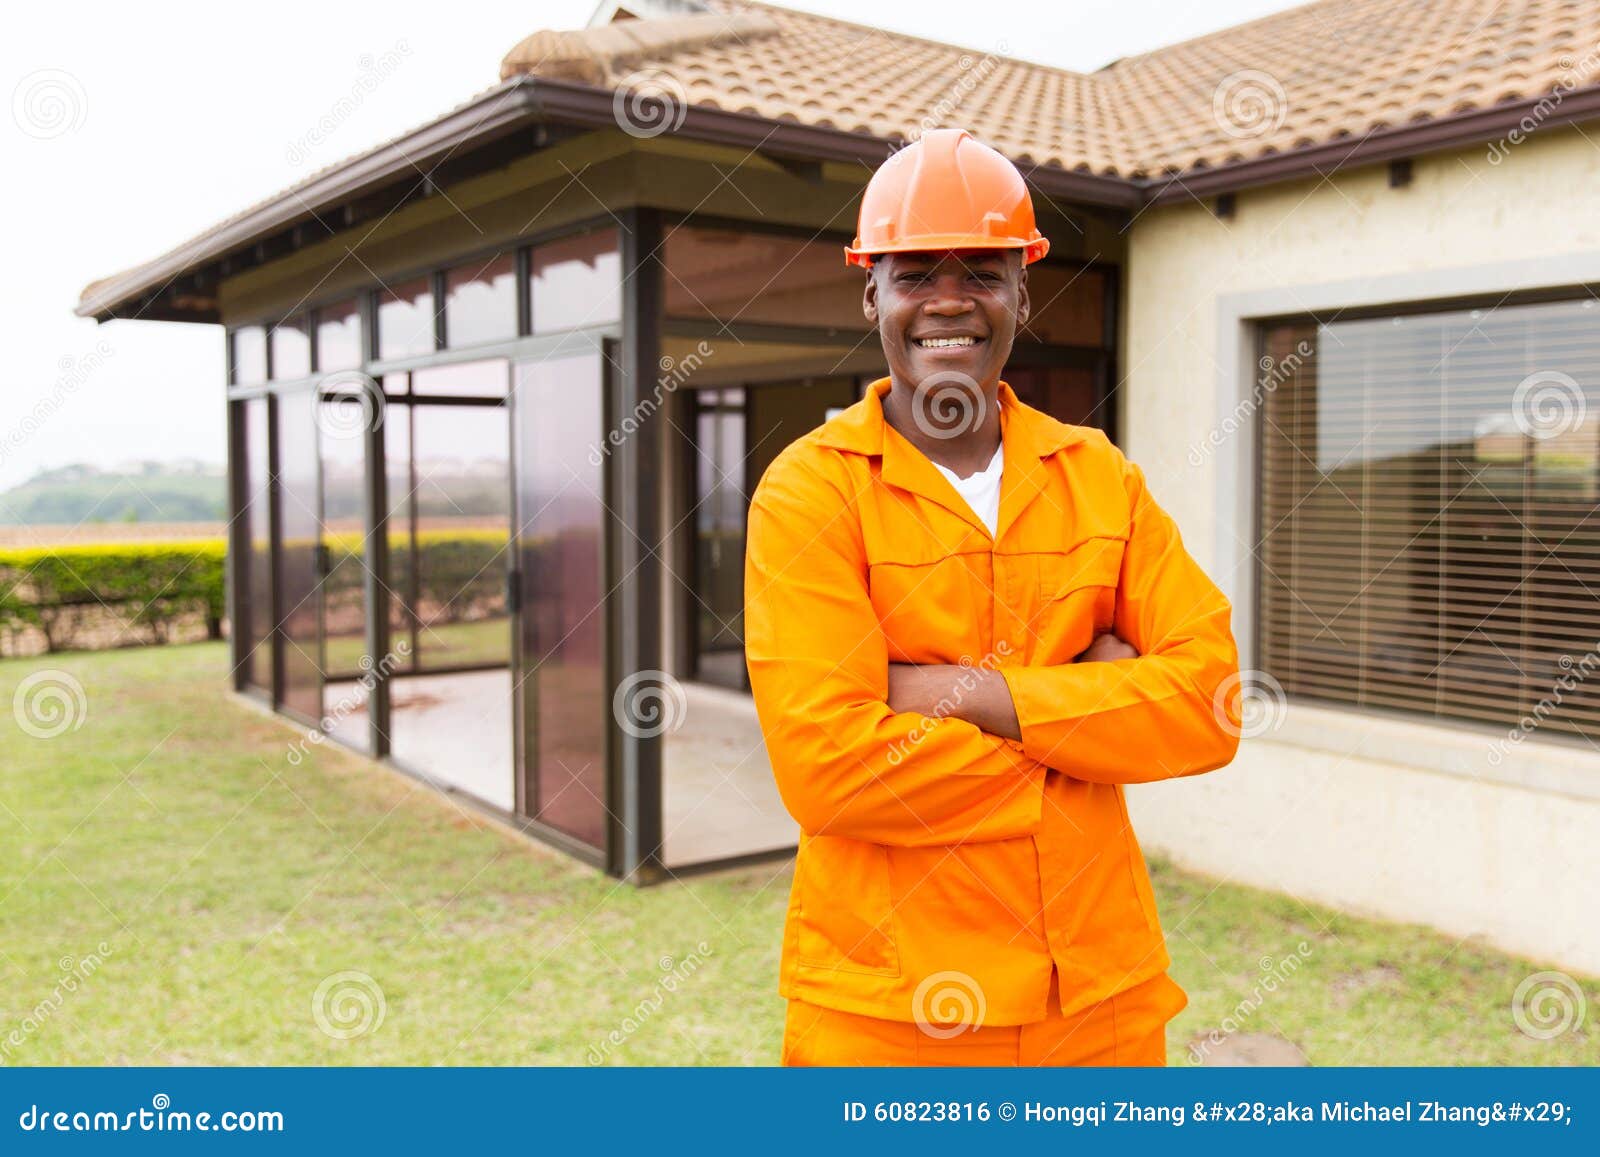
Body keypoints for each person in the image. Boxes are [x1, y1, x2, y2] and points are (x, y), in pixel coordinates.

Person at [743, 127, 1243, 1067]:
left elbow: (1209, 703)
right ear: (871, 294)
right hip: (890, 1017)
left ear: (1022, 290)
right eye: (914, 273)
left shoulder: (1097, 476)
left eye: (980, 271)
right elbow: (828, 768)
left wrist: (964, 695)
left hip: (1097, 1000)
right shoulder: (812, 491)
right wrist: (1085, 726)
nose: (947, 300)